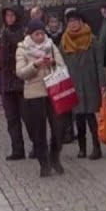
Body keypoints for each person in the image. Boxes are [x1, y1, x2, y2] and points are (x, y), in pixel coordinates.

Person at [15, 19, 67, 177]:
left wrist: (52, 63)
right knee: (38, 132)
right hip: (34, 94)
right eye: (37, 34)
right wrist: (36, 65)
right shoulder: (22, 49)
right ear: (31, 35)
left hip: (53, 92)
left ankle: (54, 155)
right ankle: (44, 163)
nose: (40, 37)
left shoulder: (50, 45)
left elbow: (62, 65)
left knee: (59, 128)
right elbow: (21, 72)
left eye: (42, 33)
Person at [60, 7, 103, 159]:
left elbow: (99, 63)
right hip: (74, 85)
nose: (72, 24)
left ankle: (97, 148)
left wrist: (102, 84)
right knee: (78, 119)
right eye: (70, 22)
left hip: (90, 83)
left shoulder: (92, 39)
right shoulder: (64, 41)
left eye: (75, 21)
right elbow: (61, 65)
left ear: (81, 22)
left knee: (91, 117)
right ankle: (82, 148)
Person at [0, 4, 31, 160]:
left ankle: (37, 146)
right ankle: (18, 149)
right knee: (11, 119)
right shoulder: (2, 33)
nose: (9, 18)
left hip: (21, 80)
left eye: (12, 15)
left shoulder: (23, 33)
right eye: (7, 16)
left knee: (28, 117)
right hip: (7, 81)